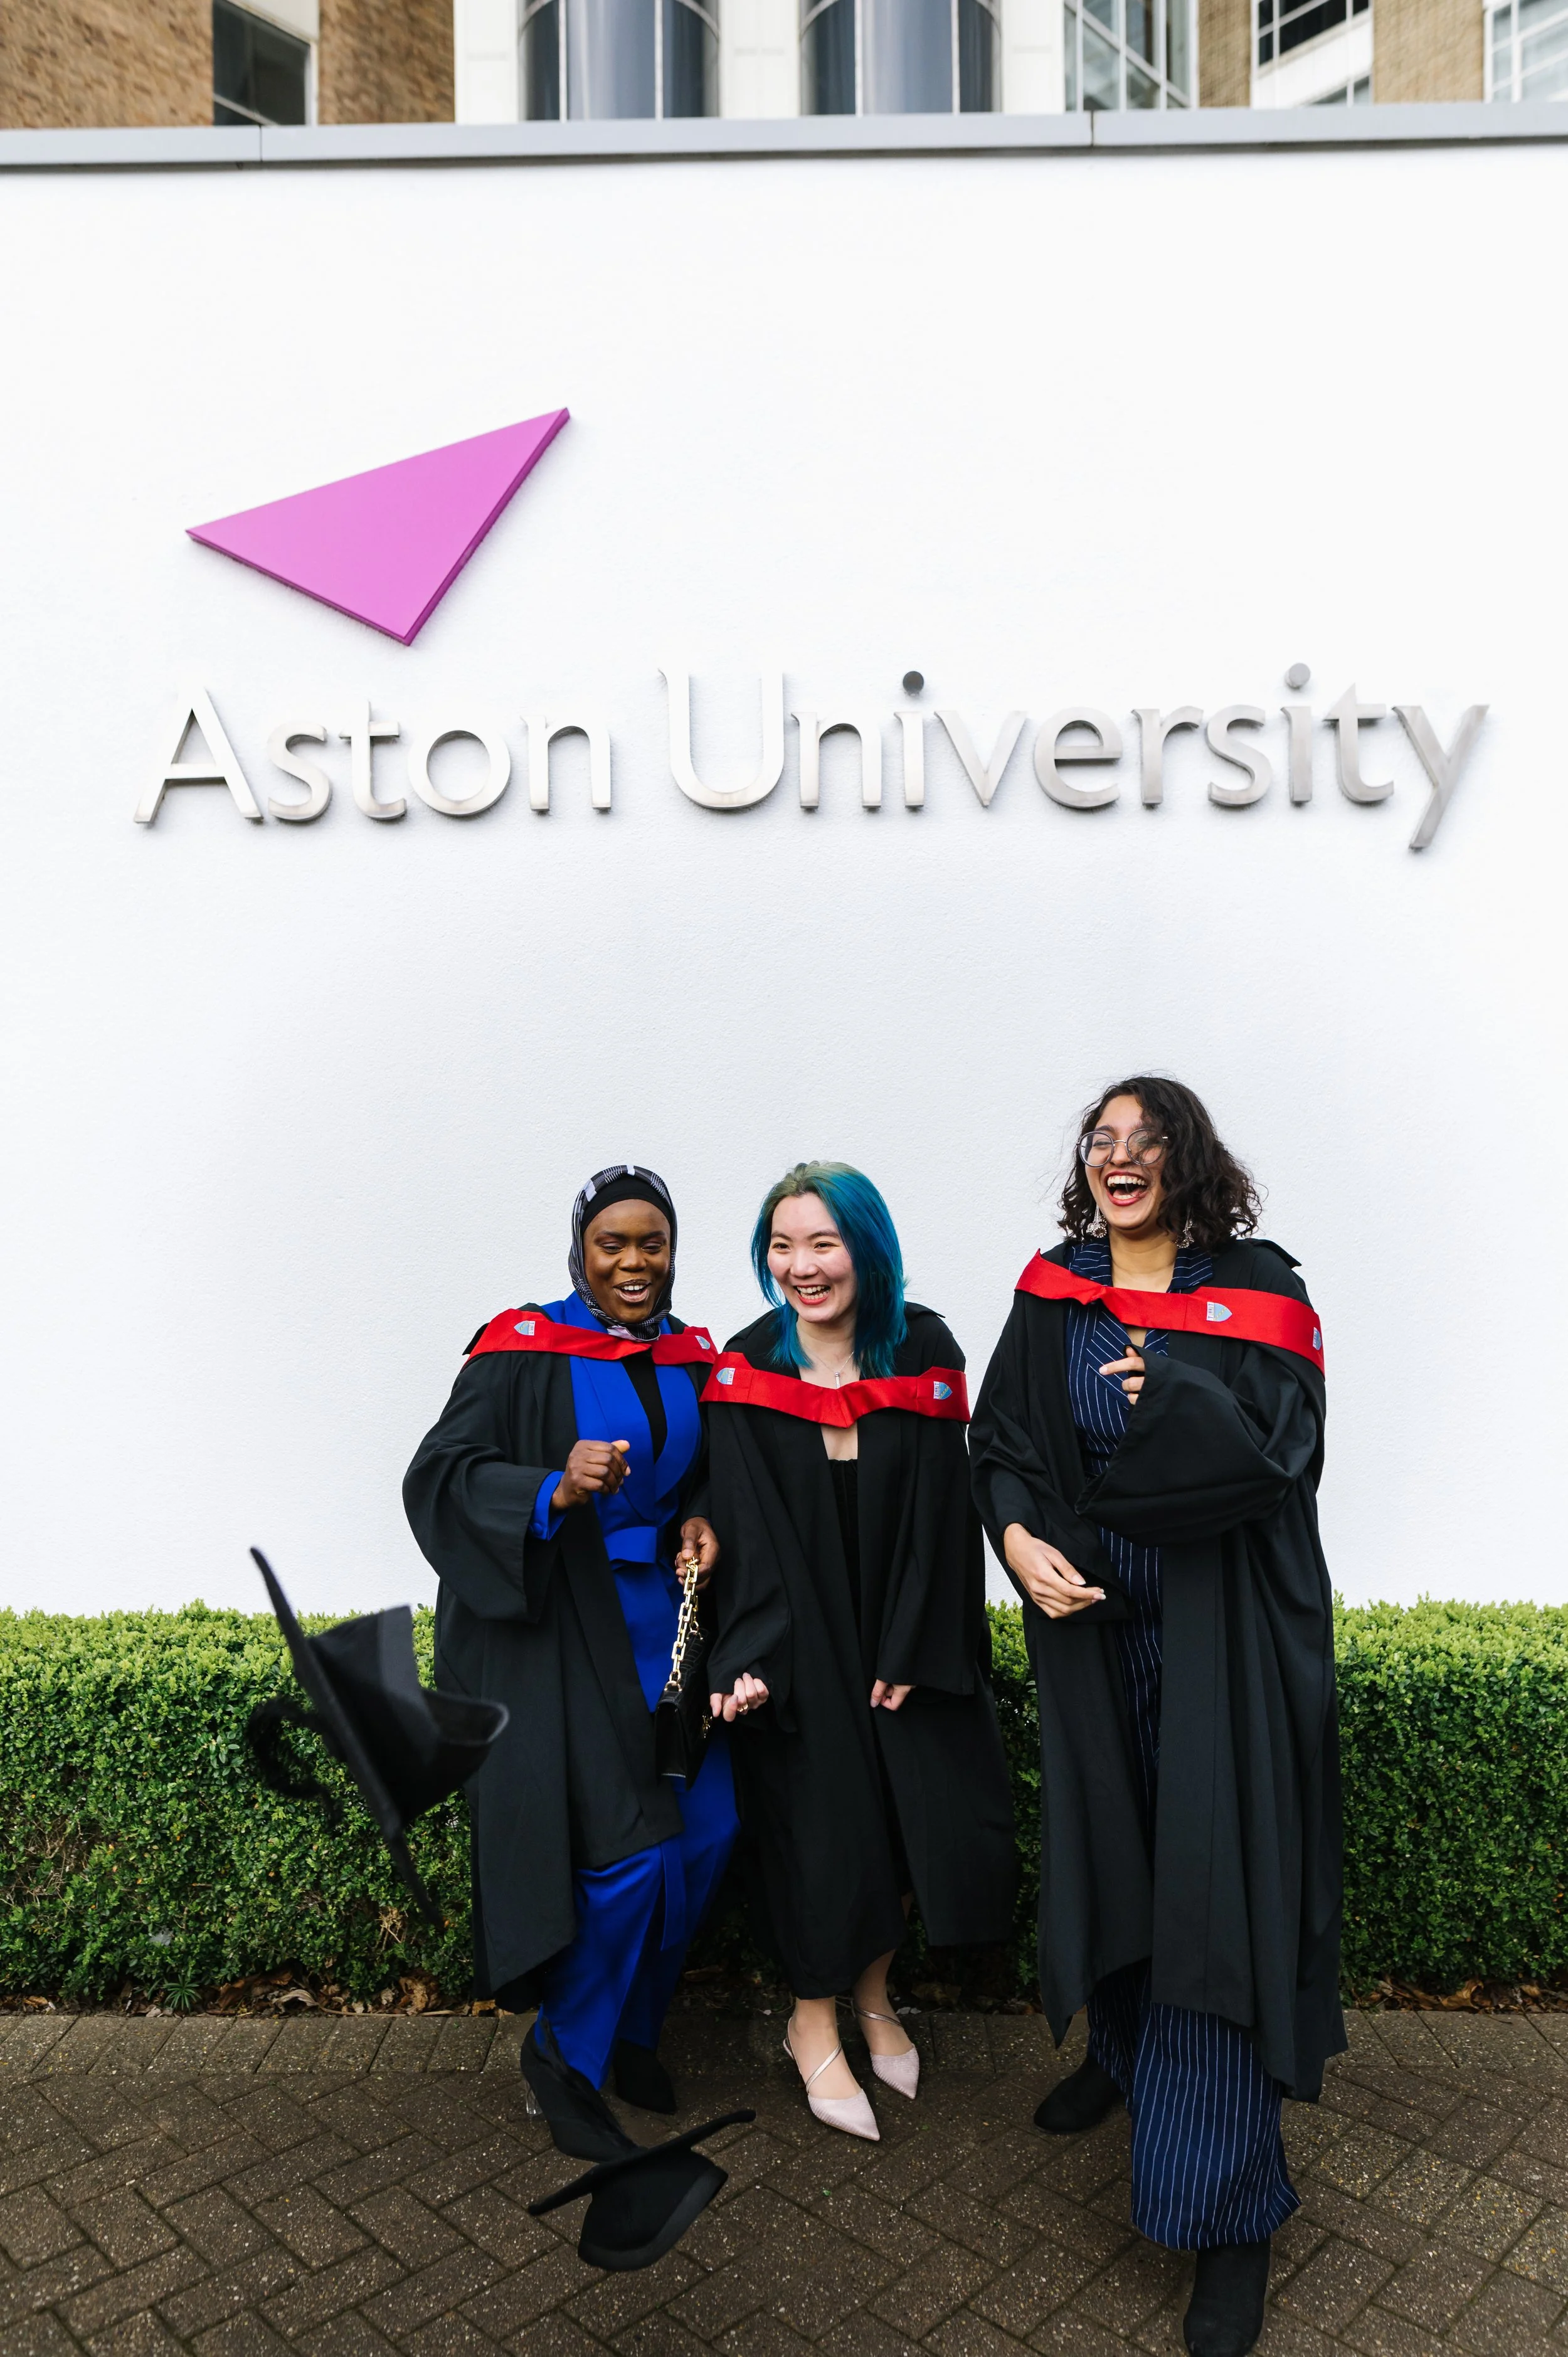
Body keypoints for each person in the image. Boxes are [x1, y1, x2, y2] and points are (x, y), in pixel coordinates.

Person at [970, 1079, 1341, 2357]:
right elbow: (1003, 1438)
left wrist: (1173, 1390)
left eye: (1146, 1141)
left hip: (1217, 1639)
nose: (1118, 1158)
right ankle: (1122, 2056)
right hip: (1092, 1634)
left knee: (1207, 1899)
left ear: (1188, 1160)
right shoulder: (1051, 1286)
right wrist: (1017, 1535)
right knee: (1114, 1859)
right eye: (1100, 1141)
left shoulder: (1258, 1285)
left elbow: (1282, 1449)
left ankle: (1228, 2212)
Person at [403, 1165, 738, 2166]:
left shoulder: (692, 1354)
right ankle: (566, 2054)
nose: (635, 1261)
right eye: (613, 1244)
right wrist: (552, 1483)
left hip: (669, 1627)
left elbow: (708, 1469)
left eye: (653, 1242)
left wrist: (700, 1519)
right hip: (569, 1631)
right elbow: (440, 1475)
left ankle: (634, 2027)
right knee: (631, 1853)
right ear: (581, 1251)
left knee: (709, 1833)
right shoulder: (521, 1348)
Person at [704, 1162, 1017, 2142]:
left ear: (865, 1250)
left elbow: (942, 1510)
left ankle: (877, 1996)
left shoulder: (922, 1347)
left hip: (899, 1630)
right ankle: (810, 2020)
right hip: (799, 1630)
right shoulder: (748, 1369)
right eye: (782, 1246)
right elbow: (742, 1526)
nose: (801, 1266)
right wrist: (751, 1653)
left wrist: (921, 1641)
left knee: (900, 1815)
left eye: (823, 1243)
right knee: (816, 1826)